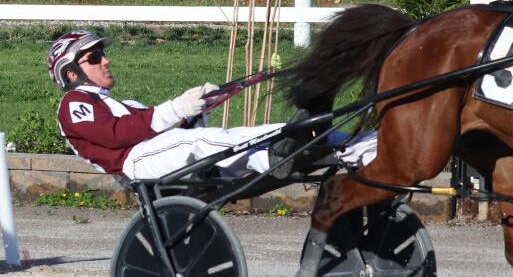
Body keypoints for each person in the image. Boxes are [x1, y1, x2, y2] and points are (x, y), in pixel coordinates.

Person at [49, 30, 375, 180]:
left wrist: (197, 110)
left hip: (159, 153)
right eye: (94, 57)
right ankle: (280, 153)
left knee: (222, 138)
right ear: (72, 72)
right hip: (133, 163)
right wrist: (179, 107)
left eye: (103, 54)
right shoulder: (74, 104)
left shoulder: (122, 103)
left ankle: (363, 147)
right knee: (201, 142)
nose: (105, 61)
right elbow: (118, 135)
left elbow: (160, 125)